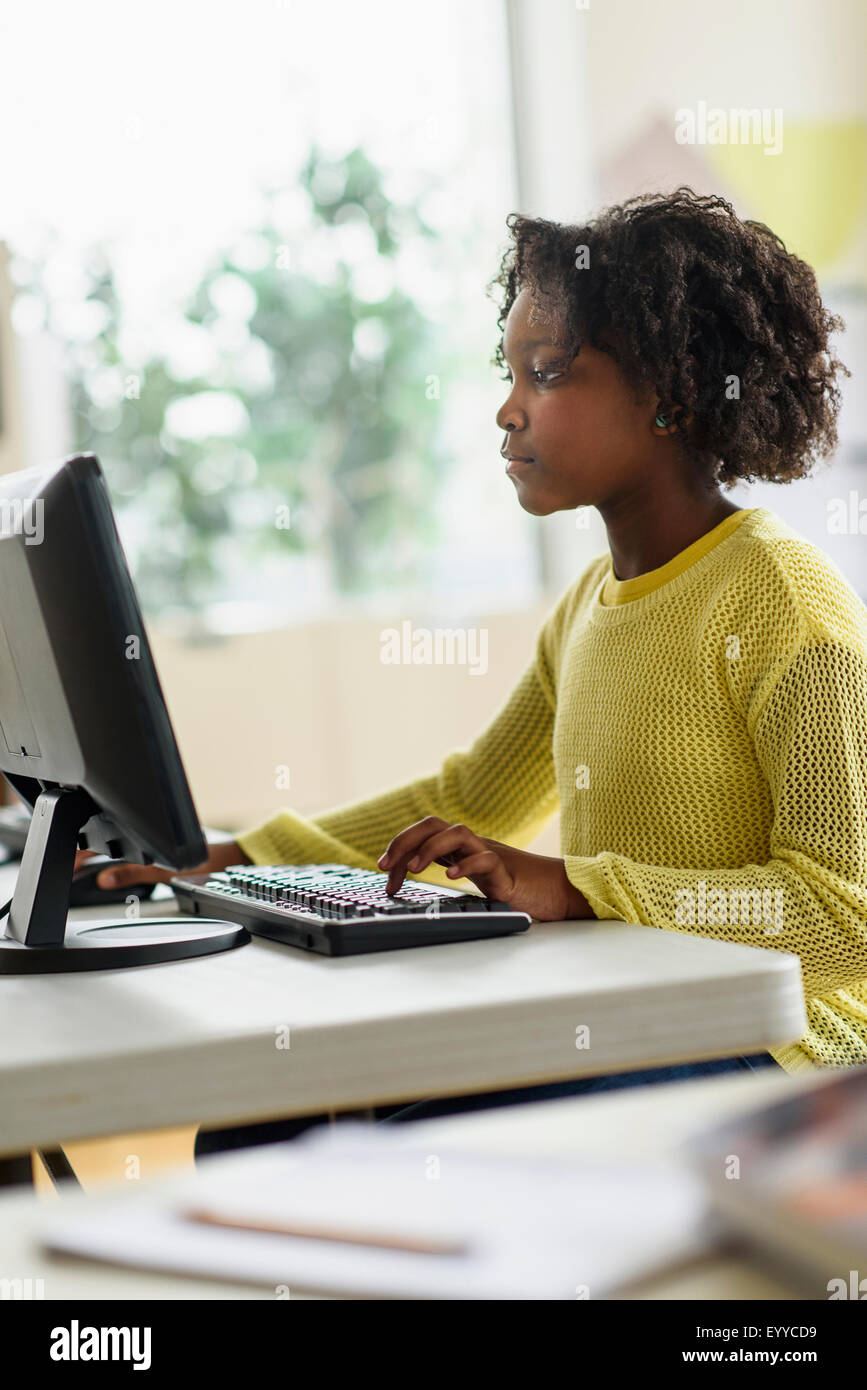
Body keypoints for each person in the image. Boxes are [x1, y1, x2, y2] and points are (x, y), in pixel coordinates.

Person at [90, 188, 865, 1153]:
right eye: (510, 374)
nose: (507, 411)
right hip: (627, 1014)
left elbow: (844, 915)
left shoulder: (782, 603)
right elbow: (470, 796)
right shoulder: (588, 606)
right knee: (259, 1123)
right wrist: (245, 854)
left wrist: (576, 887)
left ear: (671, 391)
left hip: (778, 1052)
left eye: (546, 374)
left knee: (400, 1146)